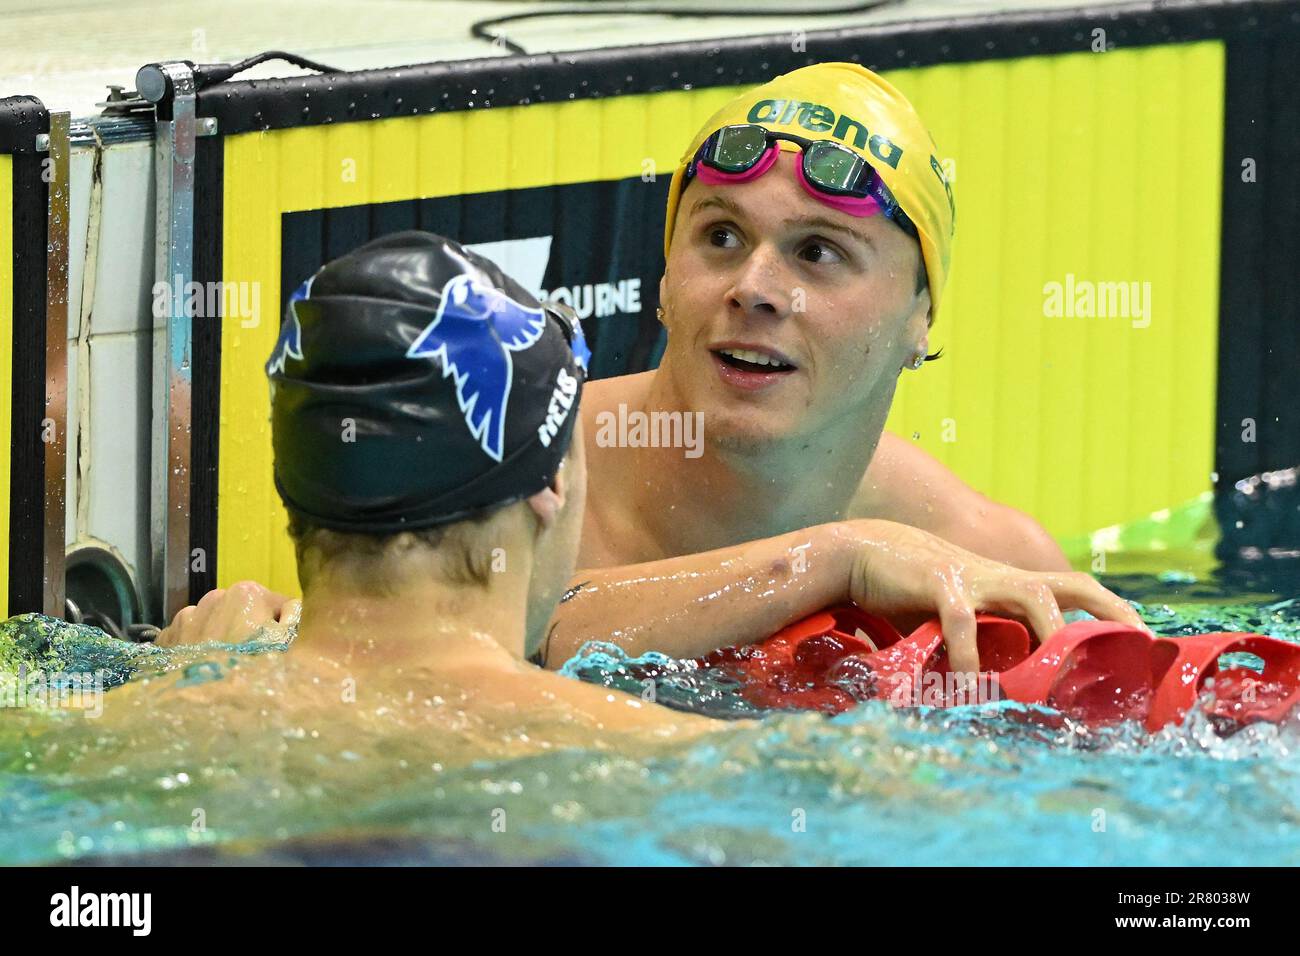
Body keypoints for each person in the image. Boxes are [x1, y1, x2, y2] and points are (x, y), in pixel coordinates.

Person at [162, 64, 1147, 675]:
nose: (756, 286)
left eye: (816, 253)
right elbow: (475, 654)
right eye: (719, 236)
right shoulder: (517, 460)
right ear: (665, 284)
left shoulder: (980, 546)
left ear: (918, 316)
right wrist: (828, 558)